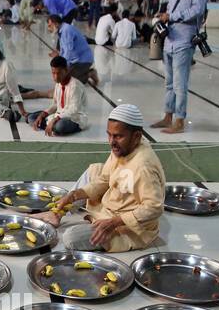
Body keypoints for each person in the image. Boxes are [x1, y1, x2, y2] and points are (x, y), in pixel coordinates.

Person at [31, 104, 163, 251]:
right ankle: (56, 214)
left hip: (129, 228)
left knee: (71, 238)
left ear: (136, 136)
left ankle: (106, 227)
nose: (111, 142)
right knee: (94, 170)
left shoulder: (143, 166)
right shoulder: (123, 147)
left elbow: (154, 208)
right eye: (109, 134)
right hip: (112, 205)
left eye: (118, 136)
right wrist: (75, 195)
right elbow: (105, 179)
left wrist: (114, 222)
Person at [151, 0, 209, 136]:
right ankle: (168, 116)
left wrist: (173, 16)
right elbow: (170, 9)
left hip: (184, 41)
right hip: (169, 40)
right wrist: (164, 15)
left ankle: (179, 120)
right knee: (169, 82)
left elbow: (198, 10)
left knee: (180, 83)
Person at [26, 56, 87, 137]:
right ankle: (49, 125)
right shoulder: (58, 84)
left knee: (60, 126)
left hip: (75, 118)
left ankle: (50, 125)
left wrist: (55, 119)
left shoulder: (75, 86)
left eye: (59, 73)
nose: (56, 77)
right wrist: (43, 114)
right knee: (31, 118)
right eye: (53, 73)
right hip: (59, 115)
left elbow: (74, 110)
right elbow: (55, 104)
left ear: (66, 70)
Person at [48, 12, 97, 85]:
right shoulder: (62, 30)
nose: (49, 28)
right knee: (62, 77)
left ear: (56, 24)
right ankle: (82, 73)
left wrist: (63, 67)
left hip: (83, 61)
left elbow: (68, 51)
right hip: (75, 61)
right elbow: (63, 50)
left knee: (67, 80)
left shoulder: (66, 30)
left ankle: (90, 73)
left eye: (50, 25)